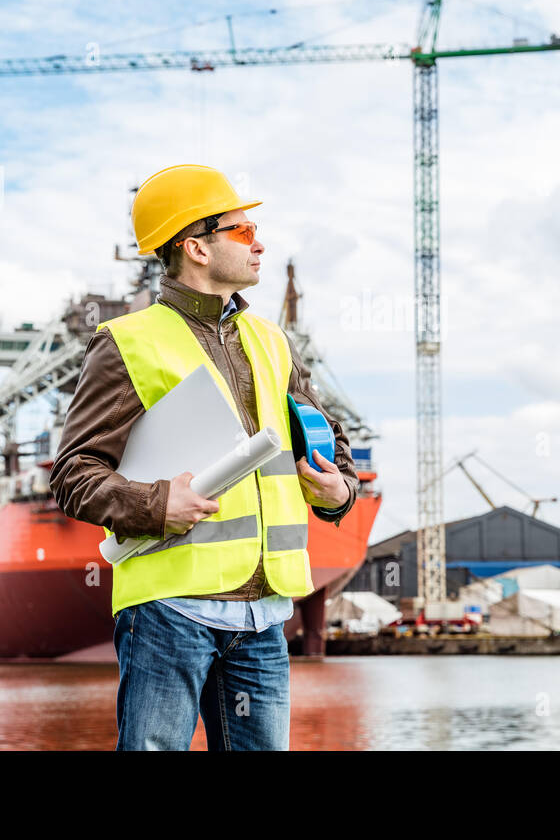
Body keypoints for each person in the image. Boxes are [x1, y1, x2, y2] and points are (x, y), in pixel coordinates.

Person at [49, 163, 359, 750]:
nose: (259, 242)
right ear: (196, 246)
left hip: (264, 614)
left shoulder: (273, 342)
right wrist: (154, 502)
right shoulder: (127, 343)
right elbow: (73, 474)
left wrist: (340, 492)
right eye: (243, 232)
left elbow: (329, 440)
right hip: (170, 610)